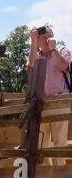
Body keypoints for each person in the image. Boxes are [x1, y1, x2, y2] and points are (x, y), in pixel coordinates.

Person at [31, 26, 71, 167]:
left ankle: (59, 177)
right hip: (41, 103)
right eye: (45, 37)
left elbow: (65, 67)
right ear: (39, 40)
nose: (49, 39)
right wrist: (33, 43)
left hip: (60, 101)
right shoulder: (35, 54)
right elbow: (30, 70)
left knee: (59, 141)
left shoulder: (63, 51)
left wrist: (53, 50)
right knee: (41, 143)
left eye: (51, 36)